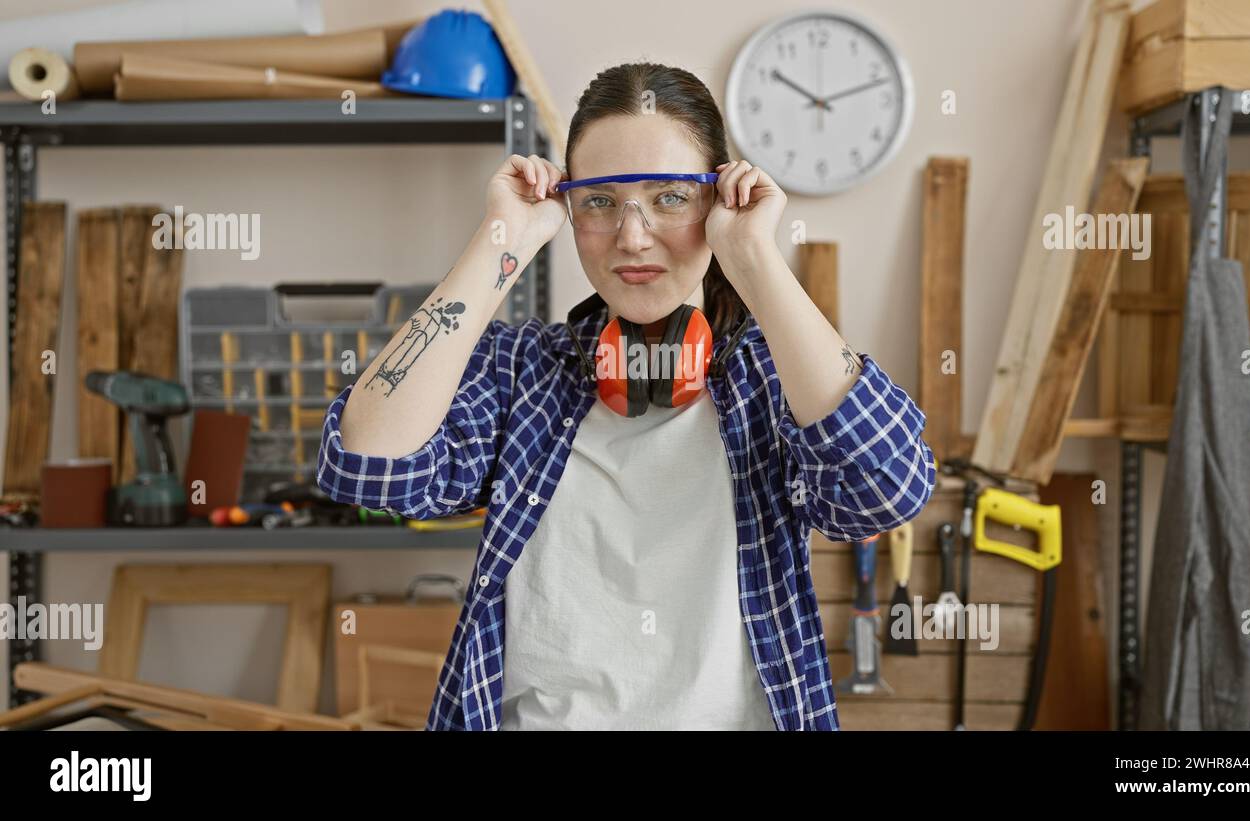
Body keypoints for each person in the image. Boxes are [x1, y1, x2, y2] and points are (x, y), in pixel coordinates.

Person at [317, 62, 936, 731]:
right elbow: (367, 463)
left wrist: (754, 258)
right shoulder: (525, 371)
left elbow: (888, 488)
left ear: (721, 198)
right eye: (602, 201)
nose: (632, 236)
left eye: (670, 196)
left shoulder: (772, 376)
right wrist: (504, 240)